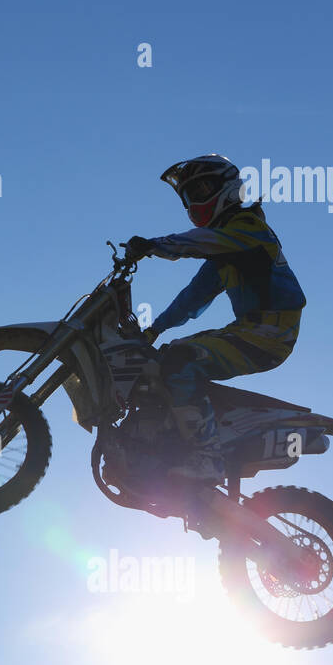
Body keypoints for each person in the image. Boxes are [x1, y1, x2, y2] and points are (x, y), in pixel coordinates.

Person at [124, 154, 306, 484]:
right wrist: (154, 329)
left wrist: (155, 245)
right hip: (250, 330)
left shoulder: (249, 229)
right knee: (163, 359)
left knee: (180, 360)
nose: (195, 200)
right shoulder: (224, 254)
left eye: (203, 188)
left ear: (228, 187)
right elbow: (192, 298)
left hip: (271, 332)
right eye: (190, 194)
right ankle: (173, 443)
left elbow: (200, 242)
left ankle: (207, 458)